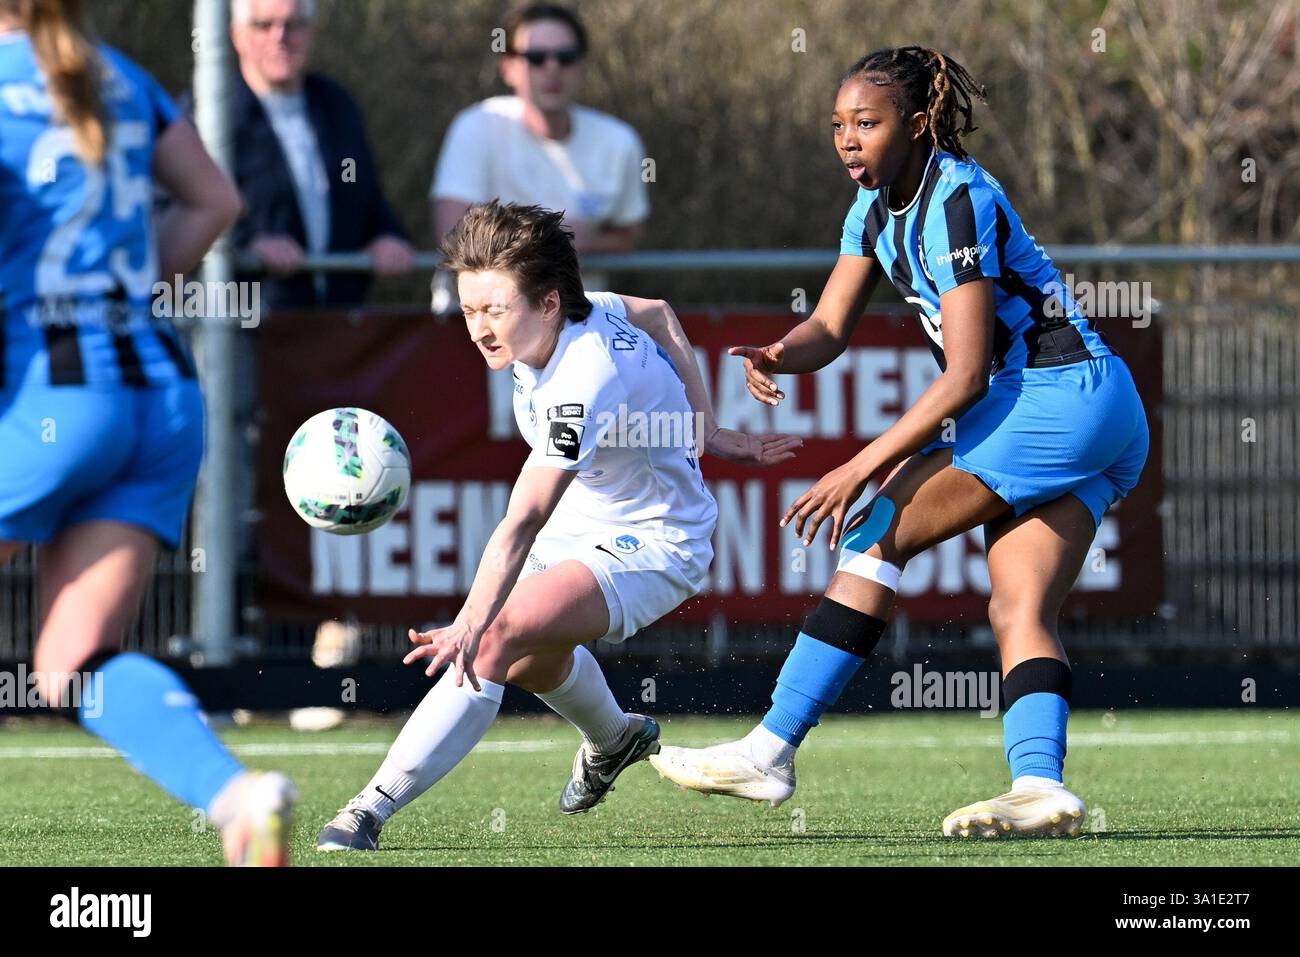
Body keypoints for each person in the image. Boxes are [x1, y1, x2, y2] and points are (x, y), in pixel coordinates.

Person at [650, 46, 1150, 839]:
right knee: (1019, 603)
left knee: (874, 529)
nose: (849, 139)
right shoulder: (872, 208)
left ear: (918, 124)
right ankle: (1040, 787)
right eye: (840, 125)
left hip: (1058, 397)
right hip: (1099, 409)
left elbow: (967, 376)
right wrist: (783, 350)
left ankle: (771, 747)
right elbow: (830, 326)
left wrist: (861, 464)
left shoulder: (958, 196)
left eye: (868, 123)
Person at [315, 201, 800, 851]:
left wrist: (469, 621)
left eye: (495, 310)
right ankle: (614, 735)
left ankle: (367, 810)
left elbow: (522, 518)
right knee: (533, 655)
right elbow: (659, 311)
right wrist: (705, 425)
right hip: (584, 514)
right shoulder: (573, 306)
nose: (480, 329)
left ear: (546, 303)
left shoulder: (582, 377)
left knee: (494, 638)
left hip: (658, 539)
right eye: (468, 310)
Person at [0, 0, 294, 865]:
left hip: (52, 390)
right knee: (72, 660)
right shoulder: (121, 78)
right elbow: (214, 202)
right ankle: (237, 797)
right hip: (160, 392)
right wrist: (115, 287)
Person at [428, 3, 648, 311]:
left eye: (566, 57)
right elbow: (450, 235)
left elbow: (627, 236)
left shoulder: (620, 141)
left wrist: (592, 241)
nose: (552, 68)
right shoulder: (475, 126)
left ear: (583, 66)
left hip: (574, 323)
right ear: (508, 67)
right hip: (474, 325)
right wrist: (556, 239)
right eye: (535, 57)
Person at [229, 0, 412, 308]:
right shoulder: (209, 117)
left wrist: (386, 235)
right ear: (237, 35)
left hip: (336, 325)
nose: (280, 37)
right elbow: (181, 212)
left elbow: (364, 193)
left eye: (293, 25)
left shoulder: (337, 107)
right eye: (264, 25)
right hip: (249, 329)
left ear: (312, 32)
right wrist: (246, 244)